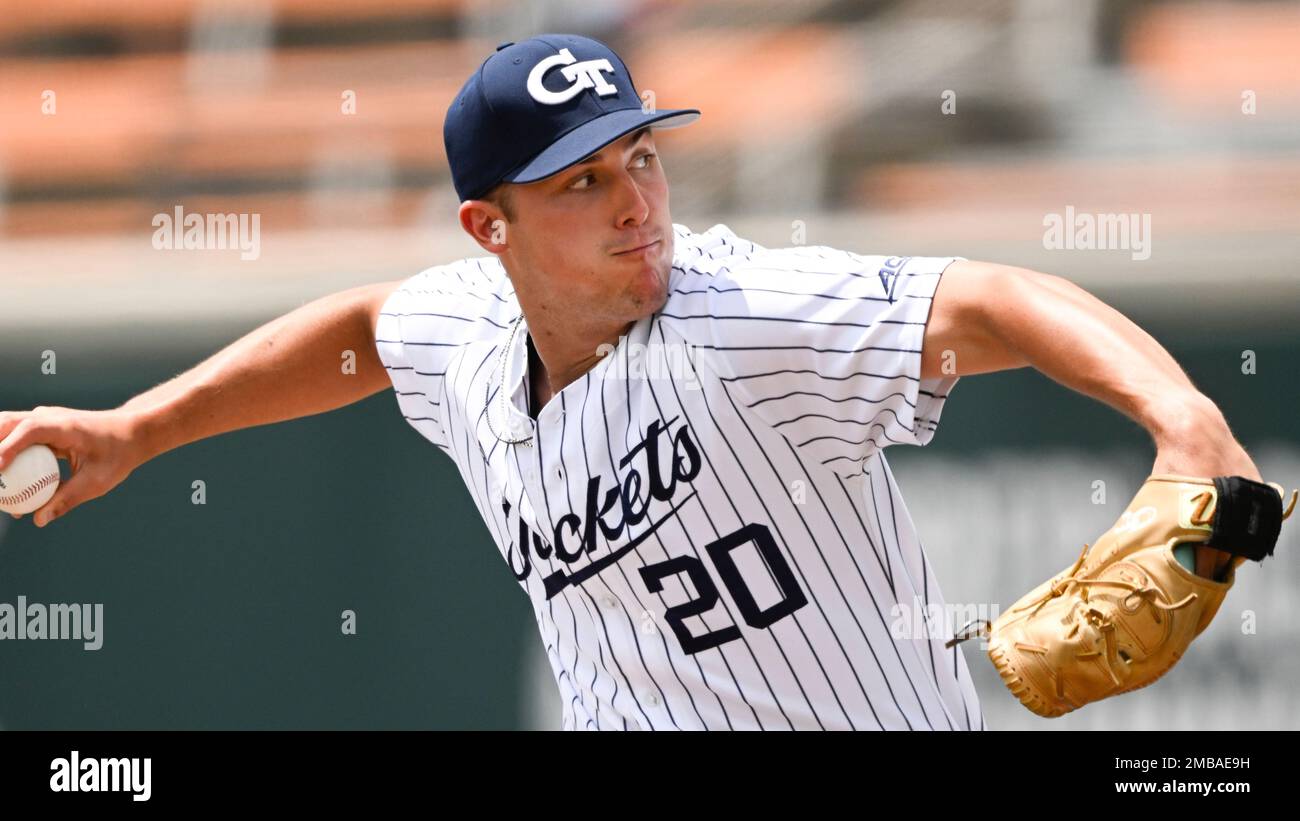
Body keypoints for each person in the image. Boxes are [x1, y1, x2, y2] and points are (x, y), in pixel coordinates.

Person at [0, 34, 1262, 730]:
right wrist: (134, 427)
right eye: (581, 184)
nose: (635, 205)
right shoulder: (465, 332)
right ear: (488, 228)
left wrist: (1185, 422)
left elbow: (989, 297)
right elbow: (360, 336)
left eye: (640, 160)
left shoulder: (744, 315)